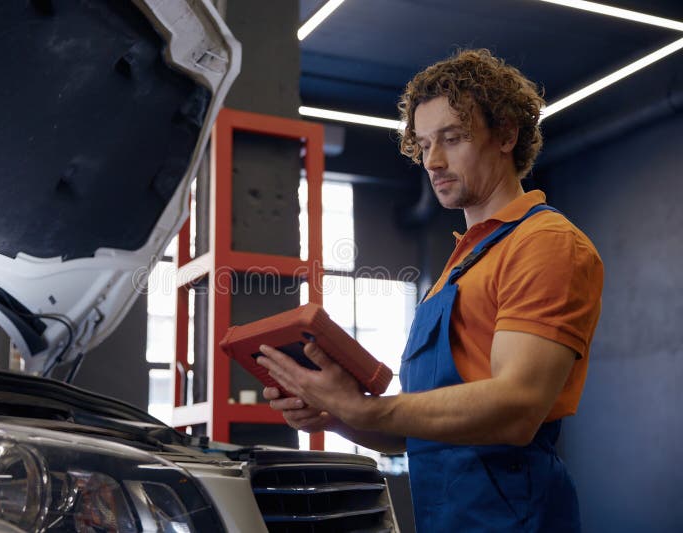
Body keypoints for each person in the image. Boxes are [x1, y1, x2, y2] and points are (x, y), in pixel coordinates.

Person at [257, 48, 603, 532]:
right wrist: (335, 415)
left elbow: (518, 408)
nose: (432, 161)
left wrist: (365, 406)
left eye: (453, 139)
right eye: (423, 144)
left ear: (506, 135)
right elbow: (417, 436)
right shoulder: (459, 267)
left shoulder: (544, 243)